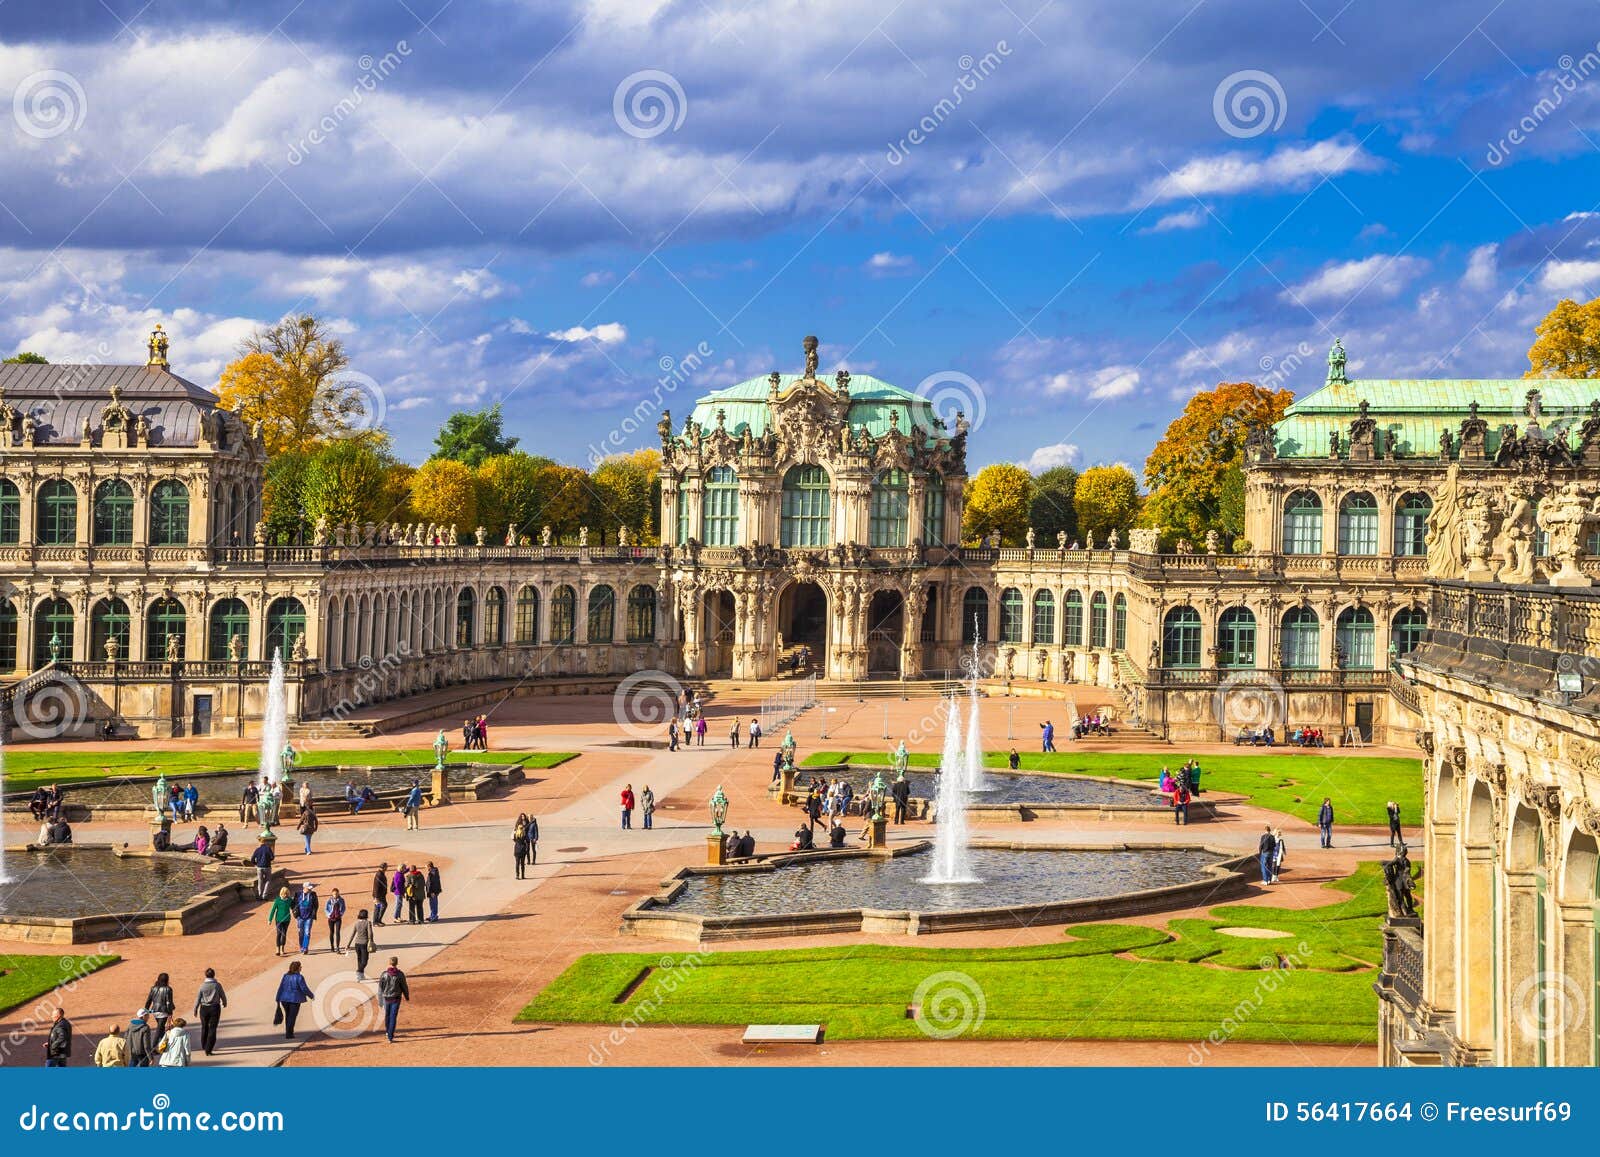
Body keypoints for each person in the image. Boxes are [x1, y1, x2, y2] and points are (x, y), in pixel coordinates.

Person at [273, 961, 313, 1040]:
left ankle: (288, 1032)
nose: (301, 968)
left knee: (288, 1015)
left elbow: (281, 987)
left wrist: (278, 998)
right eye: (300, 966)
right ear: (297, 968)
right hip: (294, 999)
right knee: (292, 1016)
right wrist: (311, 995)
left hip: (284, 999)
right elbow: (304, 988)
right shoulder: (299, 977)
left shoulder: (285, 976)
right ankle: (289, 1033)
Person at [194, 968, 227, 1056]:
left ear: (206, 975)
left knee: (204, 1027)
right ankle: (208, 1049)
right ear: (214, 975)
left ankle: (204, 1045)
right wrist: (224, 1003)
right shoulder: (217, 985)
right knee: (212, 1028)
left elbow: (198, 998)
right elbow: (222, 995)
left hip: (204, 1008)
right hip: (215, 1008)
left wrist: (195, 1009)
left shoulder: (202, 986)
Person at [377, 957, 411, 1043]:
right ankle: (390, 1036)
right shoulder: (400, 974)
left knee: (387, 1015)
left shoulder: (384, 974)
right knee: (393, 1017)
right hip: (396, 998)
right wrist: (406, 996)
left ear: (389, 963)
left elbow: (380, 988)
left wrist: (380, 1000)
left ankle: (387, 1031)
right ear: (397, 963)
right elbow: (404, 986)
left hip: (386, 998)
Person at [347, 909, 377, 981]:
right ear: (366, 915)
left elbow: (352, 934)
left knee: (359, 959)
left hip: (357, 944)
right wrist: (371, 940)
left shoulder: (356, 923)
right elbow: (370, 933)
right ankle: (359, 971)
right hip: (364, 944)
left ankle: (361, 976)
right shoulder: (368, 923)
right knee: (365, 961)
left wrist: (348, 944)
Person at [144, 972, 175, 1041]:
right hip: (163, 1012)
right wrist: (170, 1012)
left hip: (155, 1011)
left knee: (161, 1029)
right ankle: (153, 1048)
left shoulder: (153, 988)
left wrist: (145, 1010)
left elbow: (149, 1000)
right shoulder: (168, 989)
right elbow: (168, 1002)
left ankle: (164, 1045)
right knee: (159, 1030)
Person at [268, 886, 294, 955]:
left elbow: (293, 907)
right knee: (279, 934)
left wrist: (296, 912)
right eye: (283, 894)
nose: (285, 895)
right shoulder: (277, 900)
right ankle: (277, 949)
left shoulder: (289, 900)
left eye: (286, 894)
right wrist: (270, 919)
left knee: (284, 934)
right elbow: (273, 910)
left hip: (287, 920)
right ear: (281, 893)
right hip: (278, 920)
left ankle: (282, 948)